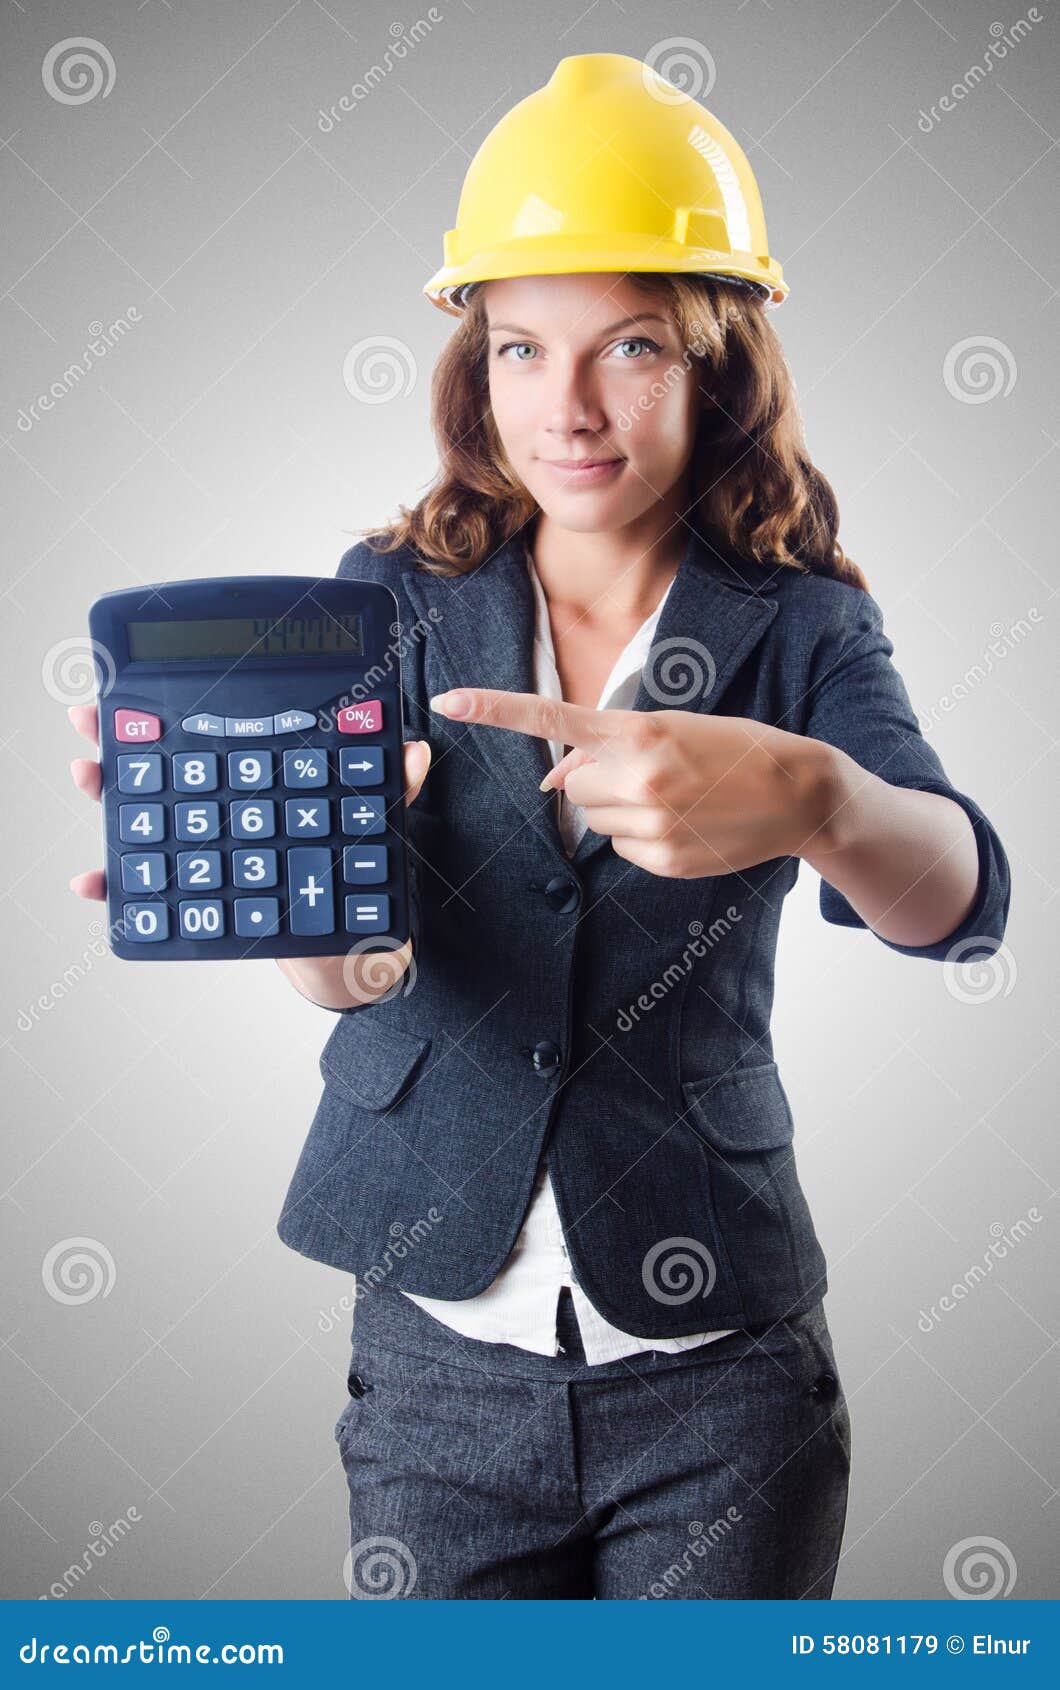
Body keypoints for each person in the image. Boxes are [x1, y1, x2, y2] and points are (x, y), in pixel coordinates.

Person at [69, 53, 1011, 1601]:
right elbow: (356, 968)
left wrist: (821, 797)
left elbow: (963, 899)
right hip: (437, 1357)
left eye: (629, 345)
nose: (564, 408)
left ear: (719, 363)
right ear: (478, 367)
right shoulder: (390, 597)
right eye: (520, 348)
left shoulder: (802, 627)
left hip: (722, 1378)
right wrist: (296, 911)